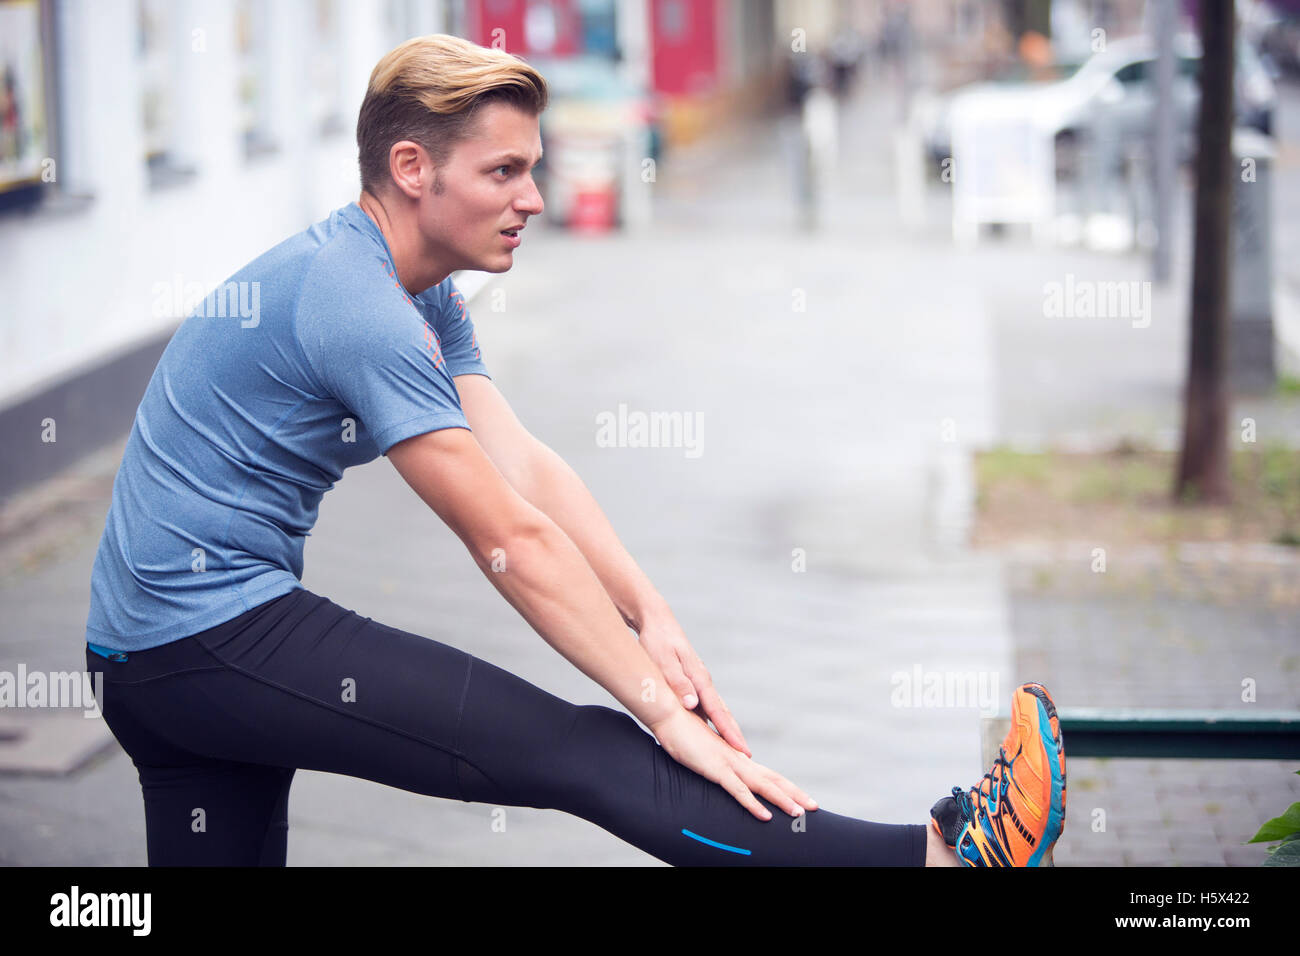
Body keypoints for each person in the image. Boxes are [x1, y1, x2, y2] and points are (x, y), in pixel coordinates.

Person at [84, 33, 1066, 867]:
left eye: (533, 167)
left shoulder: (417, 286)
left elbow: (525, 468)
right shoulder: (354, 302)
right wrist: (662, 713)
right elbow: (507, 534)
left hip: (158, 650)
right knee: (584, 749)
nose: (536, 198)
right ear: (413, 170)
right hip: (199, 640)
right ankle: (942, 855)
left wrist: (650, 615)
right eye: (503, 171)